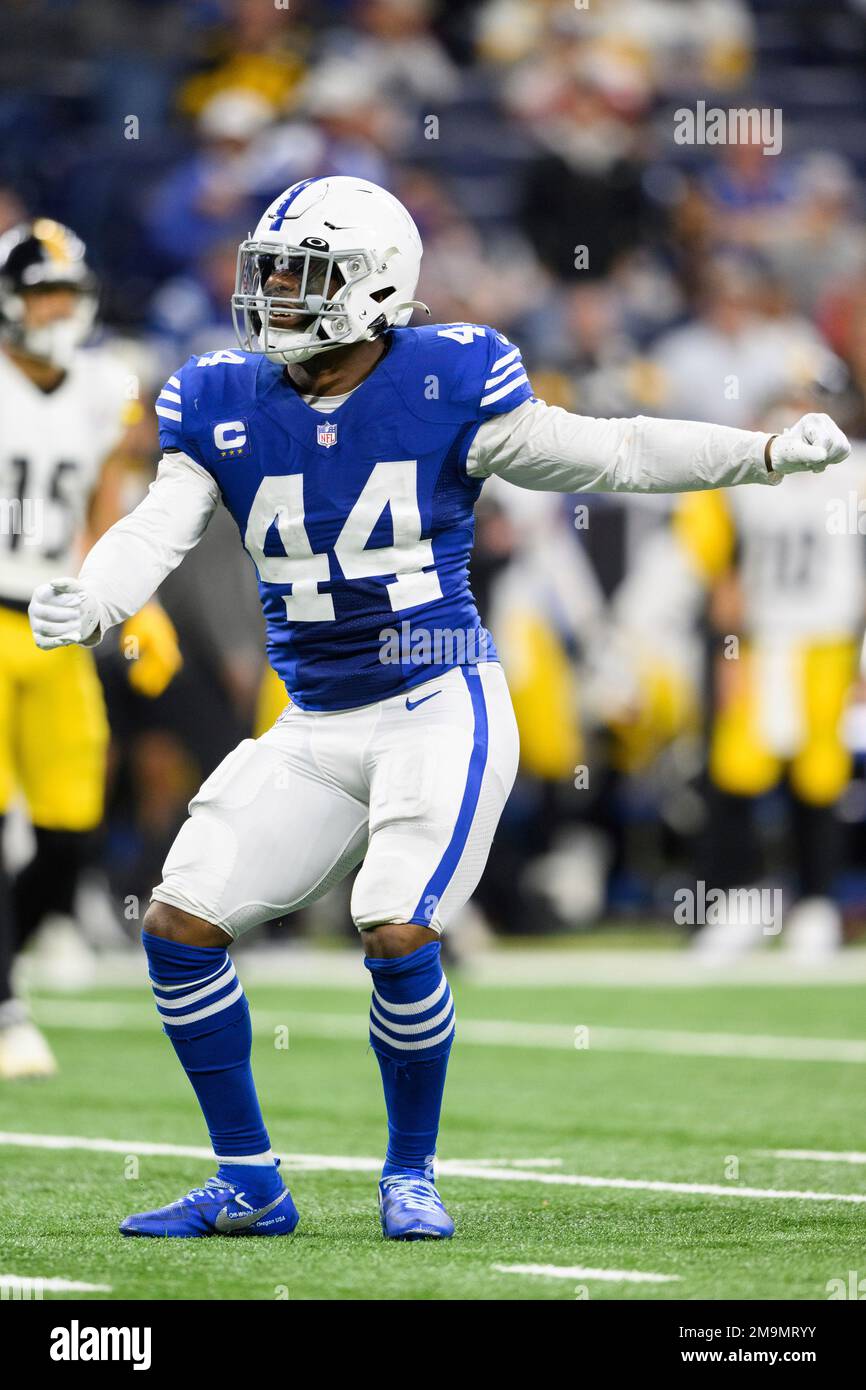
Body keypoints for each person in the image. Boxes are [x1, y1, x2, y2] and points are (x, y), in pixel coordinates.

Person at [28, 176, 850, 1241]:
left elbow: (613, 451)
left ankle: (408, 1170)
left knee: (396, 920)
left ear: (372, 288)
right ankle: (248, 1181)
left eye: (300, 277)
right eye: (269, 273)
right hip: (317, 718)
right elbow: (156, 525)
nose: (273, 295)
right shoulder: (220, 396)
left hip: (435, 702)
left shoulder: (449, 379)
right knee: (180, 925)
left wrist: (761, 454)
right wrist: (96, 597)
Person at [0, 219, 181, 1079]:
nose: (56, 310)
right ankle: (5, 1009)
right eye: (42, 292)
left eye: (67, 294)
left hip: (55, 623)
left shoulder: (106, 386)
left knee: (70, 831)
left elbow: (110, 502)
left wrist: (132, 601)